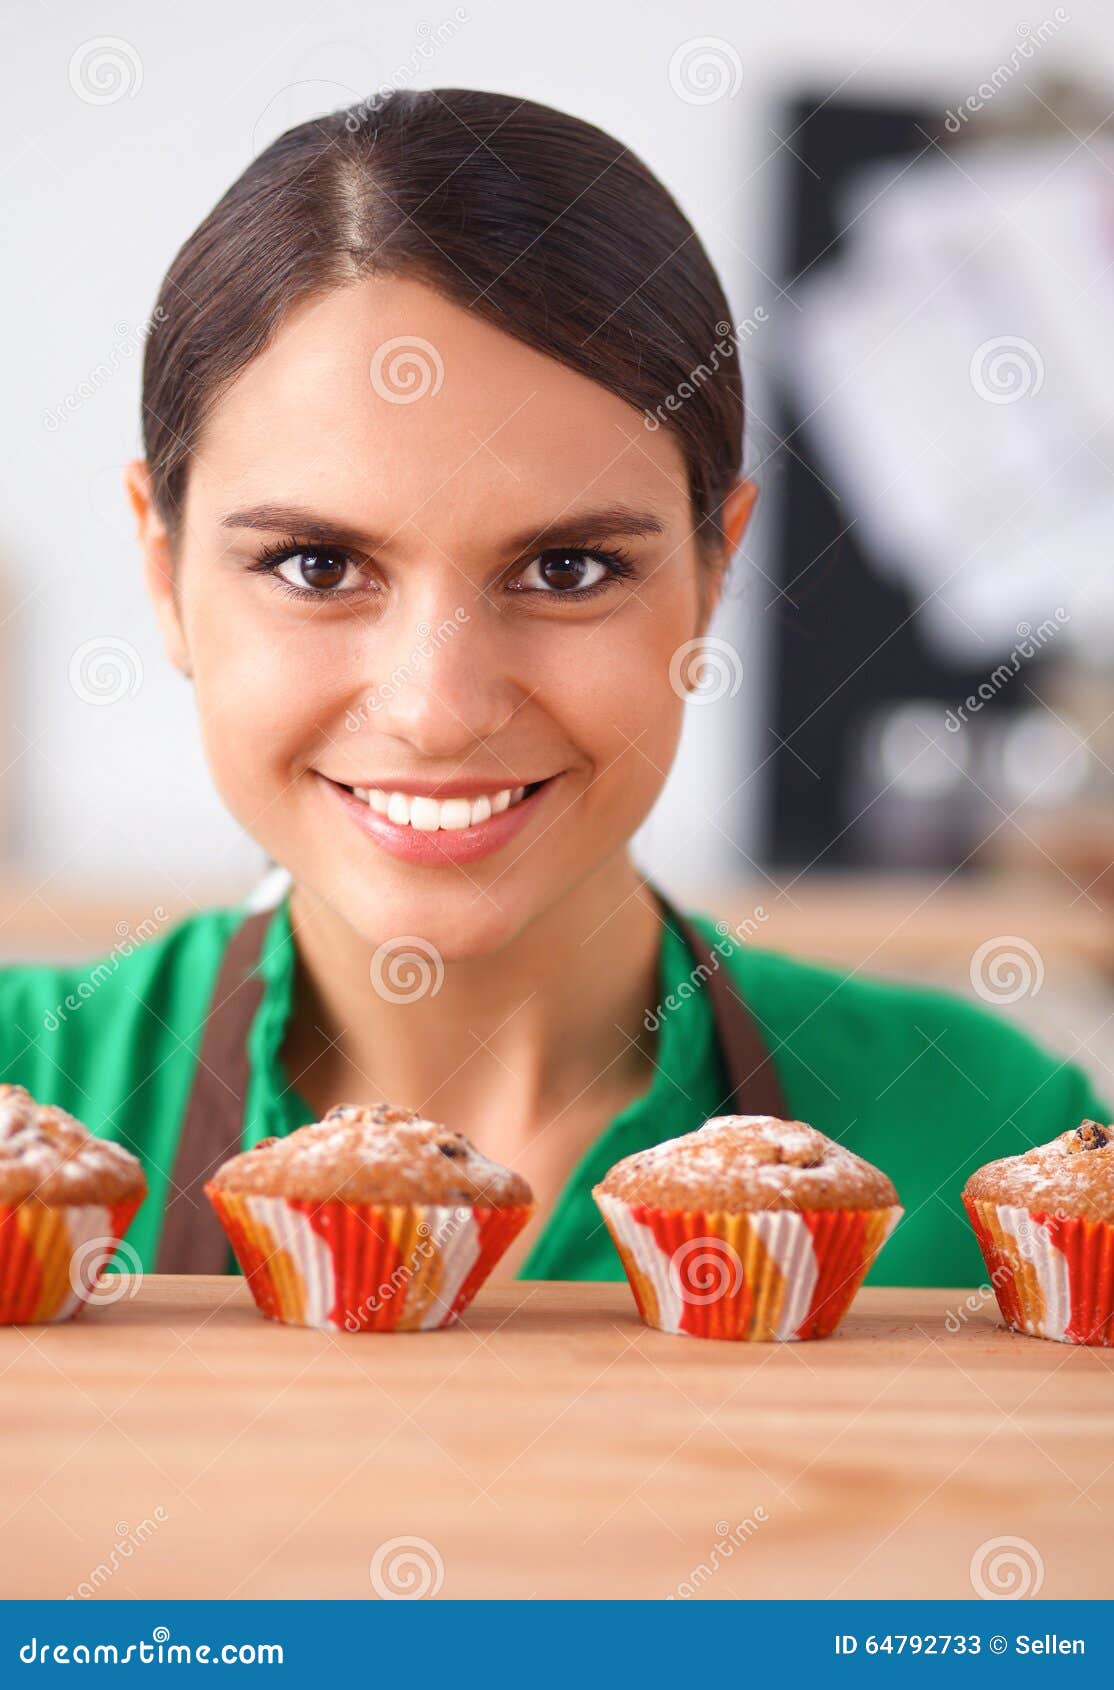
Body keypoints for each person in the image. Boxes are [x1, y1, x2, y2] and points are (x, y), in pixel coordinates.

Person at [4, 88, 1105, 1287]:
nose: (437, 707)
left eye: (566, 568)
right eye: (317, 566)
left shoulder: (998, 1138)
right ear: (164, 574)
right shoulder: (26, 1074)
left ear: (711, 573)